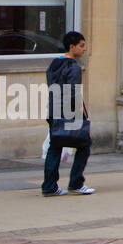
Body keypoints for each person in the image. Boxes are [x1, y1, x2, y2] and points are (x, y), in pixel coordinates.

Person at [42, 31, 93, 197]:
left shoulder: (54, 64)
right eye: (81, 46)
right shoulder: (74, 67)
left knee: (55, 147)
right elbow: (73, 92)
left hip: (53, 110)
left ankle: (49, 186)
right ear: (72, 47)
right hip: (68, 113)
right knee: (84, 145)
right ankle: (76, 183)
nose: (84, 49)